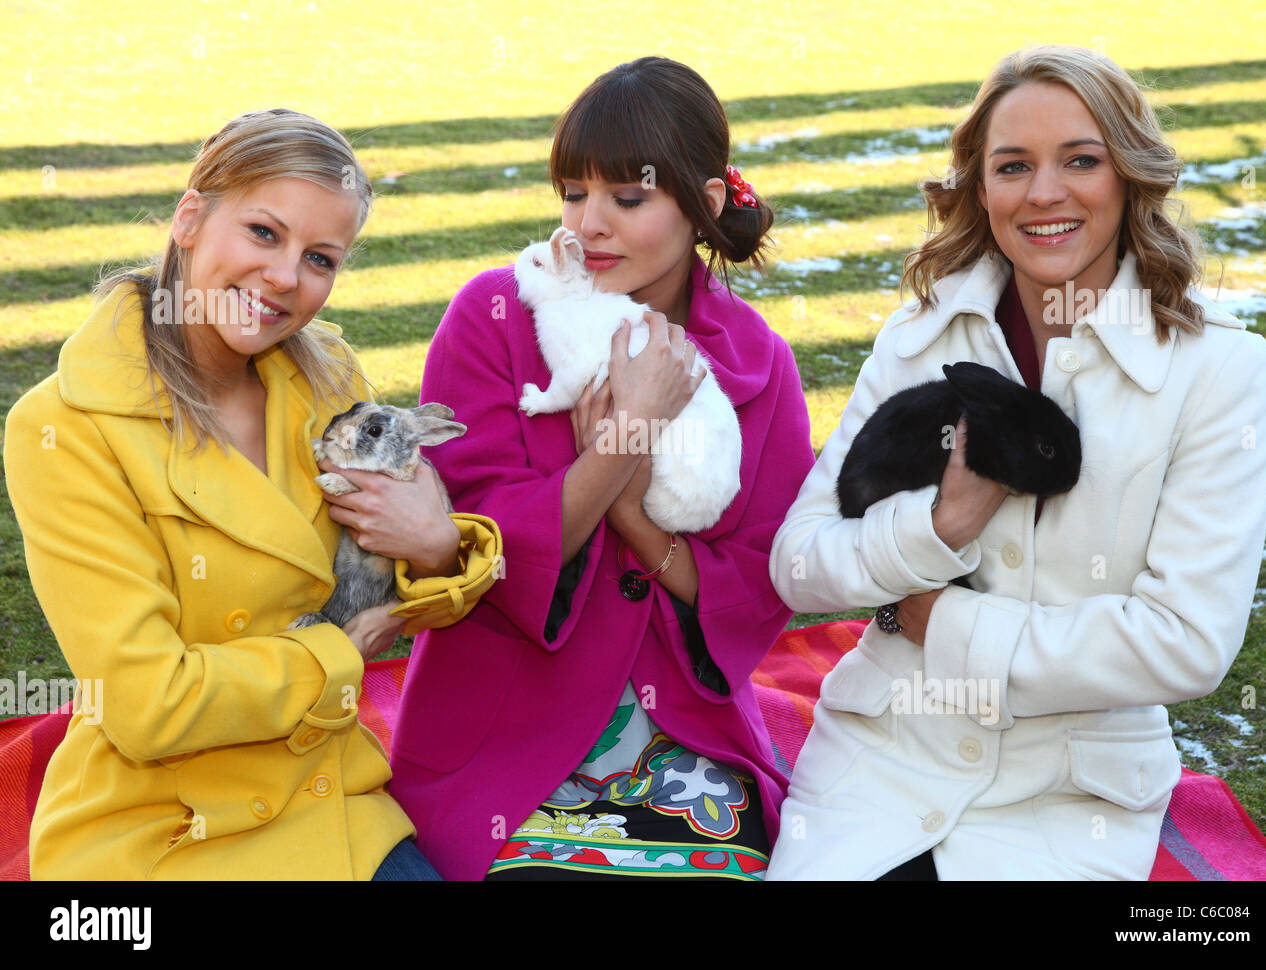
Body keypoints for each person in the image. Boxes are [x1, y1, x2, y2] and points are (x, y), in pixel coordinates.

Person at [765, 45, 1266, 880]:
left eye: (1081, 159)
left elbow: (1187, 642)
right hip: (881, 763)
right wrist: (936, 530)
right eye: (1013, 166)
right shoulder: (921, 335)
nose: (1044, 193)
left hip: (1074, 800)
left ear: (1130, 175)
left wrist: (947, 625)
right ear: (981, 187)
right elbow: (800, 566)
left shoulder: (1216, 368)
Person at [4, 109, 500, 880]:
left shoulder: (329, 376)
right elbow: (145, 705)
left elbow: (388, 578)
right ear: (191, 216)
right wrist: (332, 655)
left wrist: (439, 548)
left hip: (331, 801)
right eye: (265, 233)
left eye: (321, 258)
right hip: (161, 833)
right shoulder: (64, 427)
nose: (285, 278)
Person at [388, 57, 816, 880]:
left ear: (706, 205)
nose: (589, 225)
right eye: (573, 193)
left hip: (686, 732)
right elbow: (467, 548)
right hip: (501, 724)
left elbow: (760, 584)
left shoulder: (758, 361)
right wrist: (626, 441)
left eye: (627, 198)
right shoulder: (497, 315)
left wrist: (624, 504)